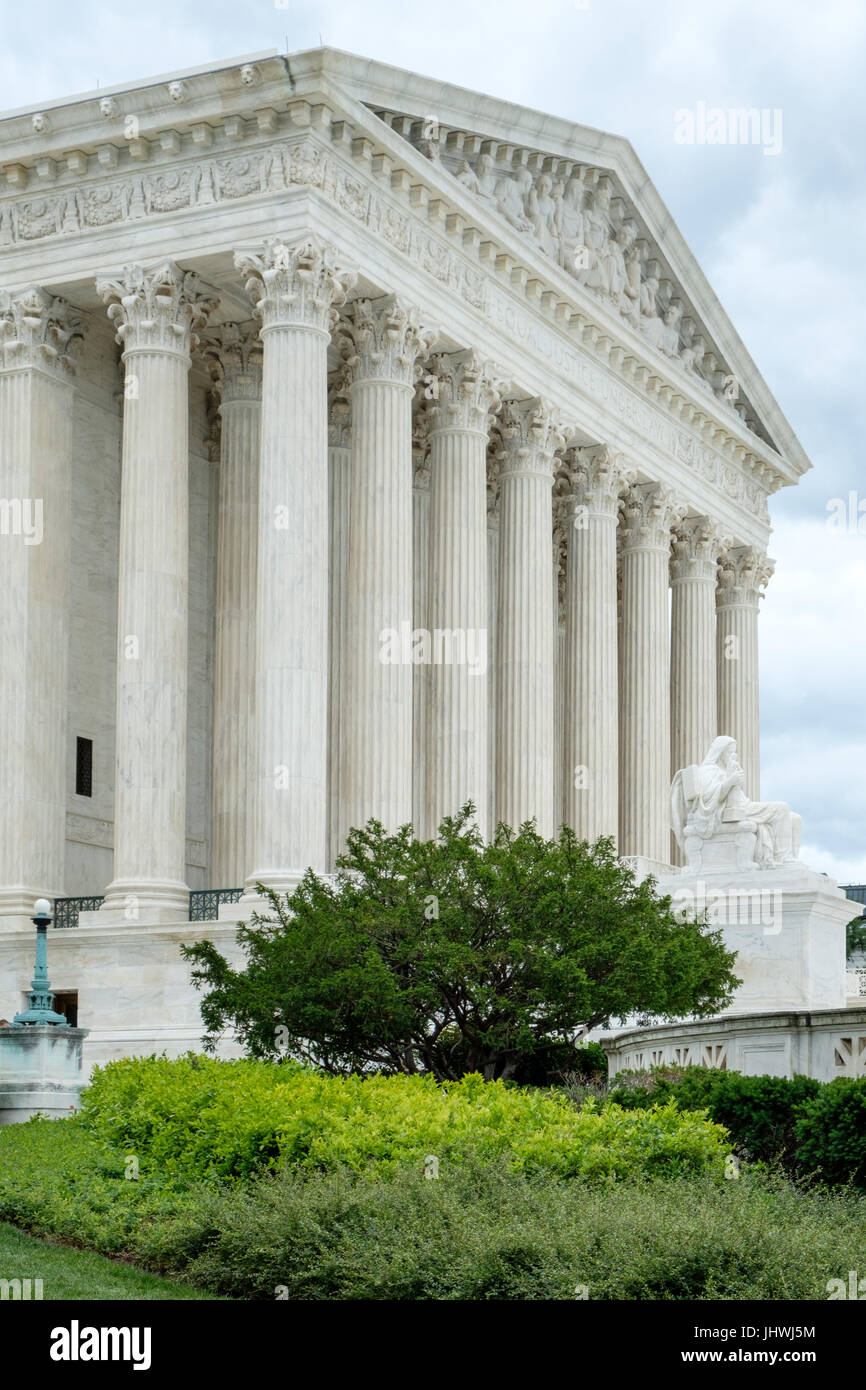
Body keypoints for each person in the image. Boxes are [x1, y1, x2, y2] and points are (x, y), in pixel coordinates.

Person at [671, 735, 802, 867]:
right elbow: (708, 798)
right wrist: (730, 781)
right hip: (726, 812)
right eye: (730, 752)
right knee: (782, 808)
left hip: (743, 806)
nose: (733, 755)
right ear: (720, 752)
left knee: (795, 819)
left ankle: (791, 859)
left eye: (734, 751)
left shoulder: (727, 769)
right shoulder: (707, 771)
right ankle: (782, 858)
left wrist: (734, 778)